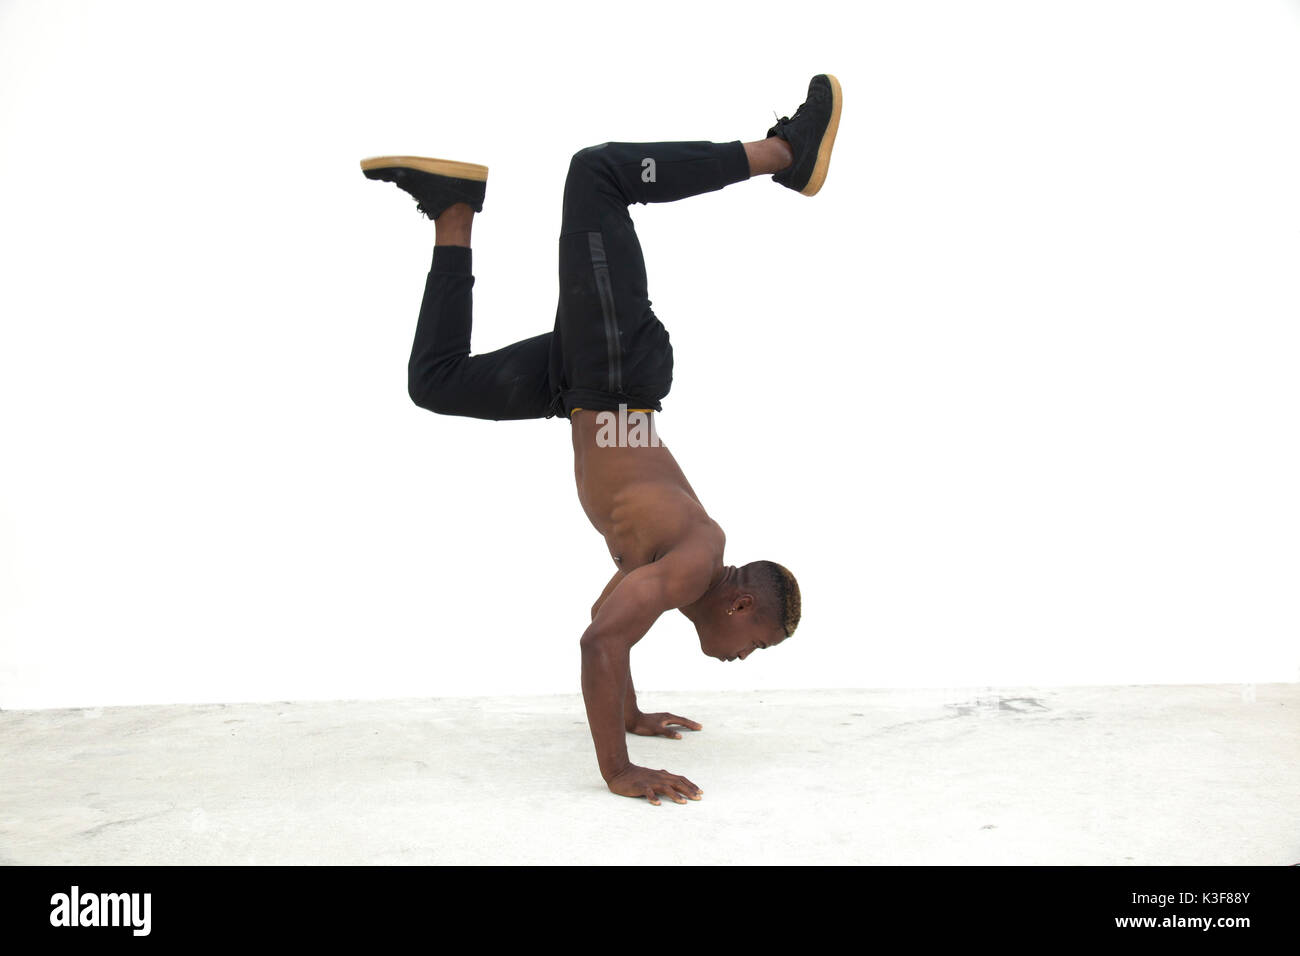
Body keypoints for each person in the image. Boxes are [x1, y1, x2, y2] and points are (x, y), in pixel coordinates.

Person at [361, 75, 840, 805]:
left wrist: (632, 712)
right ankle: (784, 152)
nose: (749, 656)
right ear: (742, 608)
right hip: (613, 372)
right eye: (762, 644)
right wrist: (618, 770)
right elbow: (600, 644)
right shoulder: (691, 565)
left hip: (586, 385)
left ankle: (452, 207)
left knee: (439, 381)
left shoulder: (682, 571)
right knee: (599, 172)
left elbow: (608, 628)